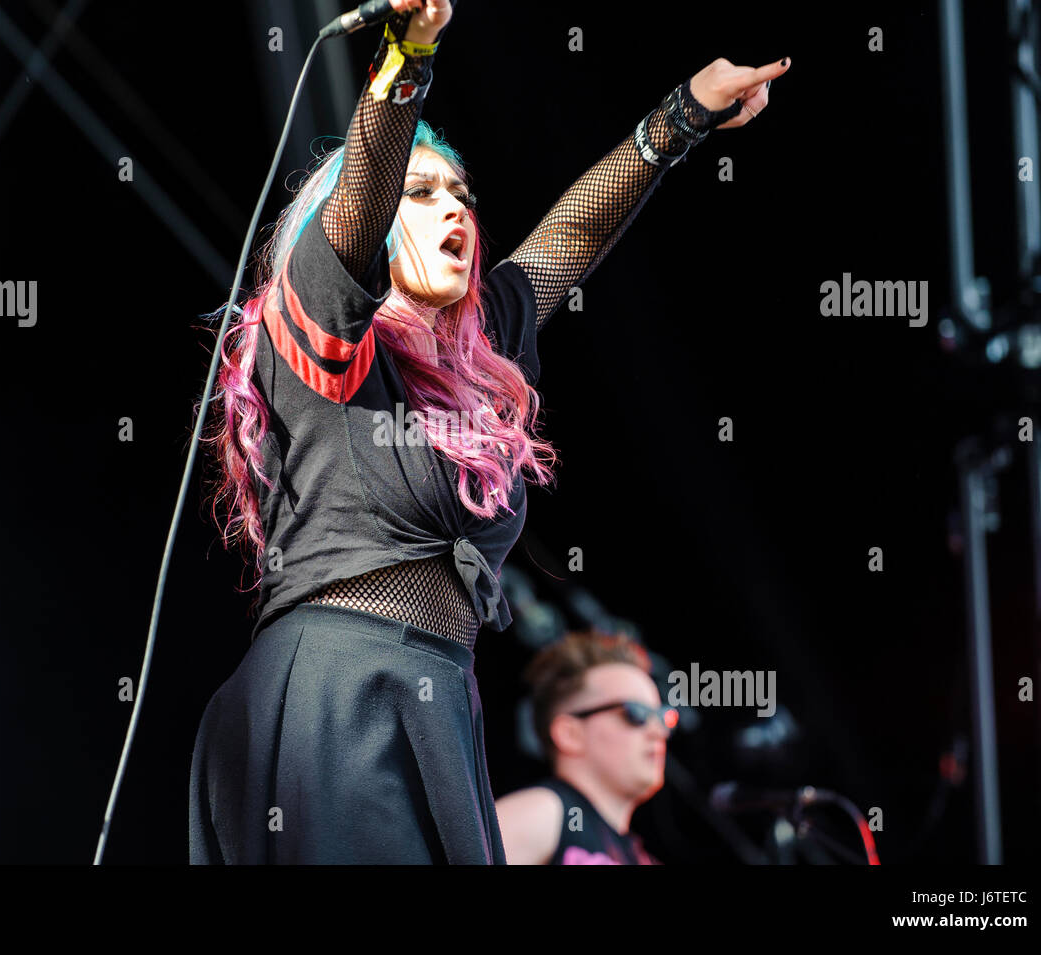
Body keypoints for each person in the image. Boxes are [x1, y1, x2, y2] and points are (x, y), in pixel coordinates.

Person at [190, 0, 789, 863]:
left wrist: (685, 110)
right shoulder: (321, 329)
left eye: (463, 193)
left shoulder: (478, 347)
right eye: (424, 193)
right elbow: (360, 200)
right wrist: (411, 53)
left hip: (434, 690)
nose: (456, 209)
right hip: (339, 690)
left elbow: (571, 236)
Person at [497, 631, 673, 864]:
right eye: (635, 713)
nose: (657, 731)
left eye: (661, 717)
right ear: (570, 734)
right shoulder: (547, 811)